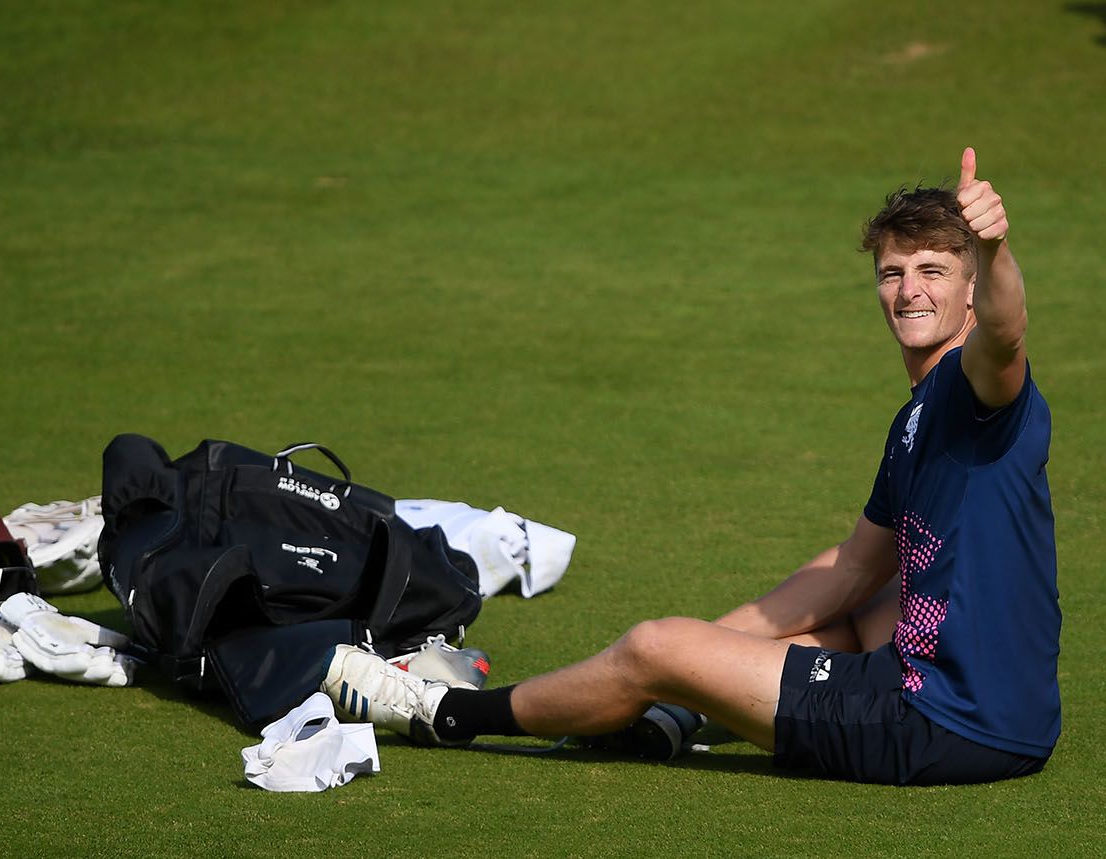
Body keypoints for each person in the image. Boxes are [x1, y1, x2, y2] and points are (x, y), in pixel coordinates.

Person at [320, 148, 1061, 786]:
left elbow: (1007, 334)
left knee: (651, 645)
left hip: (937, 722)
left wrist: (996, 249)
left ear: (969, 289)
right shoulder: (919, 415)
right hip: (999, 708)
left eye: (935, 269)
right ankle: (676, 710)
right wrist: (707, 657)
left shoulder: (977, 390)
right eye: (893, 272)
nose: (909, 290)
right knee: (858, 596)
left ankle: (440, 710)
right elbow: (846, 572)